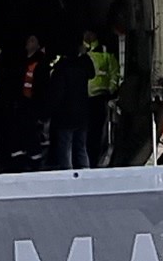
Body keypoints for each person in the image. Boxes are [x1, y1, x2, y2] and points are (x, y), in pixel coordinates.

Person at [1, 34, 51, 170]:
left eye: (33, 40)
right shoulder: (20, 62)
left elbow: (43, 87)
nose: (29, 42)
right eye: (28, 39)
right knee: (18, 134)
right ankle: (18, 163)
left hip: (32, 106)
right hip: (20, 105)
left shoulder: (41, 62)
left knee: (32, 135)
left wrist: (41, 108)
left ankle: (36, 164)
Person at [46, 42, 92, 169]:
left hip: (65, 114)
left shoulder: (61, 70)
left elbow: (57, 94)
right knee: (81, 147)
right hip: (82, 113)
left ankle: (67, 175)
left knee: (65, 148)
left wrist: (50, 110)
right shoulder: (83, 68)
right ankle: (85, 172)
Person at [82, 31, 121, 164]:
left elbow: (114, 73)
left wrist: (110, 91)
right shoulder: (82, 51)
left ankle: (92, 160)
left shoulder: (105, 52)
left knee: (96, 133)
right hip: (82, 99)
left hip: (98, 98)